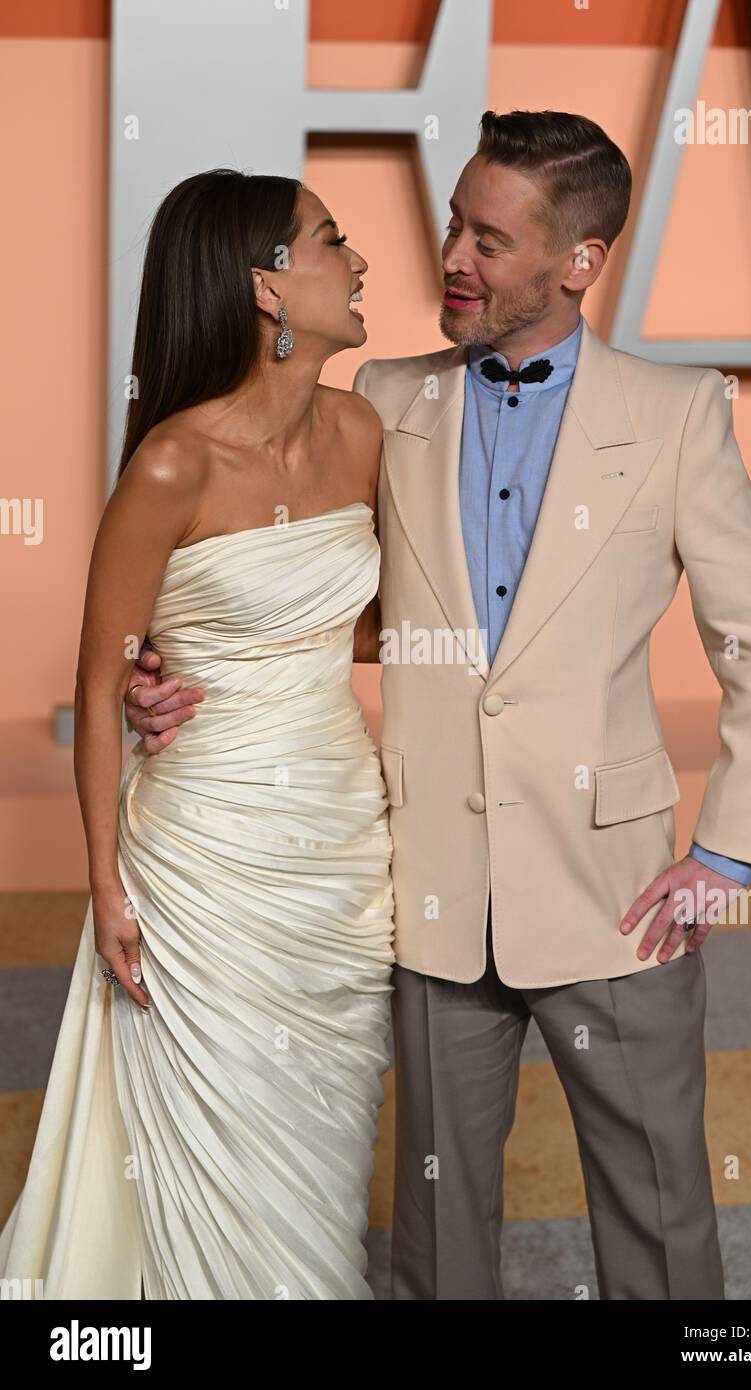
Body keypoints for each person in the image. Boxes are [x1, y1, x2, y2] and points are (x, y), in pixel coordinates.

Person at [125, 111, 751, 1301]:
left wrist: (730, 853)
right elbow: (303, 584)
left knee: (659, 1222)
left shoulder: (676, 411)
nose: (451, 256)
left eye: (489, 240)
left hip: (615, 896)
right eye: (451, 220)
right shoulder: (379, 398)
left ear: (577, 263)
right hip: (430, 888)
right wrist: (180, 665)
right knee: (436, 1245)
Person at [0, 169, 396, 1299]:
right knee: (208, 1138)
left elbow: (368, 633)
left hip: (335, 850)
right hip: (204, 861)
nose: (358, 261)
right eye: (333, 240)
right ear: (267, 286)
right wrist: (107, 887)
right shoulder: (172, 463)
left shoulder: (362, 433)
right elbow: (98, 674)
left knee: (318, 1149)